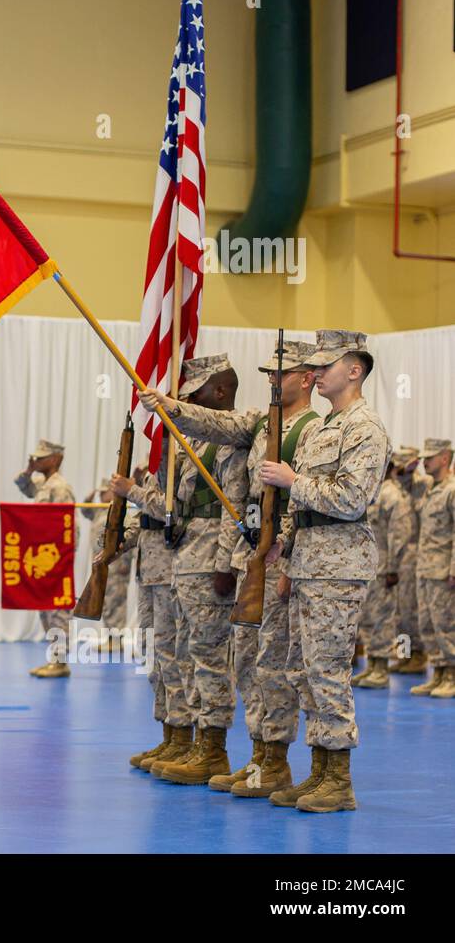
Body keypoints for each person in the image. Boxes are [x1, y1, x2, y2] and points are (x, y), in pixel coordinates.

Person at [139, 341, 320, 798]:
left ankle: (273, 760)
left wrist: (275, 552)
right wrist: (169, 406)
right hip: (250, 555)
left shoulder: (315, 430)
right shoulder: (260, 422)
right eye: (270, 374)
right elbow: (215, 421)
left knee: (277, 662)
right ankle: (258, 758)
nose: (273, 381)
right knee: (248, 660)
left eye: (283, 373)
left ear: (308, 378)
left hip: (283, 556)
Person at [259, 330, 390, 813]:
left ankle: (339, 779)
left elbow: (352, 499)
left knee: (329, 670)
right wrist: (283, 545)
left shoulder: (365, 428)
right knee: (303, 668)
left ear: (354, 369)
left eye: (326, 365)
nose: (315, 373)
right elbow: (300, 503)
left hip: (339, 564)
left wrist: (295, 481)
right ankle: (318, 772)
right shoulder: (321, 428)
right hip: (308, 559)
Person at [131, 354, 249, 786]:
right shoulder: (196, 443)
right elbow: (175, 506)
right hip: (185, 559)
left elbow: (231, 509)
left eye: (194, 394)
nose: (186, 402)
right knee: (184, 653)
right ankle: (189, 740)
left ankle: (212, 749)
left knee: (210, 656)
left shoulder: (231, 442)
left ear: (218, 392)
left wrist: (224, 566)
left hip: (209, 562)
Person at [114, 460, 193, 771]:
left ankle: (183, 735)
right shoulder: (154, 466)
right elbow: (146, 518)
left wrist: (131, 490)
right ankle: (169, 735)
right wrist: (118, 542)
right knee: (153, 658)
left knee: (172, 657)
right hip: (148, 571)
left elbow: (172, 510)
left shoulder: (179, 461)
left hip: (169, 571)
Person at [17, 439, 76, 678]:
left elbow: (67, 526)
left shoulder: (60, 488)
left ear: (55, 459)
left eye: (41, 458)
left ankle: (60, 660)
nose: (37, 461)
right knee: (45, 608)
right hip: (43, 556)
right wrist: (29, 471)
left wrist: (64, 557)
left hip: (56, 557)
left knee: (58, 608)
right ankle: (54, 658)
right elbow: (23, 486)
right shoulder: (43, 484)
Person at [353, 455, 412, 689]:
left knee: (384, 617)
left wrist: (393, 568)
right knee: (369, 616)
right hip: (368, 566)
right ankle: (372, 665)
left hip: (385, 566)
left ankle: (381, 668)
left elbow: (400, 534)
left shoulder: (392, 494)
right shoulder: (373, 491)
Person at [410, 438, 455, 699]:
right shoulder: (429, 487)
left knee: (445, 624)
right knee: (427, 623)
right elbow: (404, 479)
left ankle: (451, 673)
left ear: (445, 458)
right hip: (424, 567)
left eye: (430, 458)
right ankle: (437, 671)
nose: (425, 462)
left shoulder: (451, 489)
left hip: (443, 571)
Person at [80, 480, 132, 650]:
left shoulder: (120, 512)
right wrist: (89, 498)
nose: (101, 496)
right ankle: (110, 637)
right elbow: (85, 510)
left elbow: (128, 538)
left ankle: (116, 640)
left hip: (116, 566)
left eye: (105, 492)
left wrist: (126, 563)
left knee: (115, 601)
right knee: (105, 601)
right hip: (101, 565)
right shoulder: (100, 511)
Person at [390, 449, 427, 674]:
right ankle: (404, 655)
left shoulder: (422, 484)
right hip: (398, 558)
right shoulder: (398, 488)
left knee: (412, 611)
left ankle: (419, 656)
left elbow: (413, 478)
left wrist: (411, 469)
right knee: (400, 612)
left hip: (414, 556)